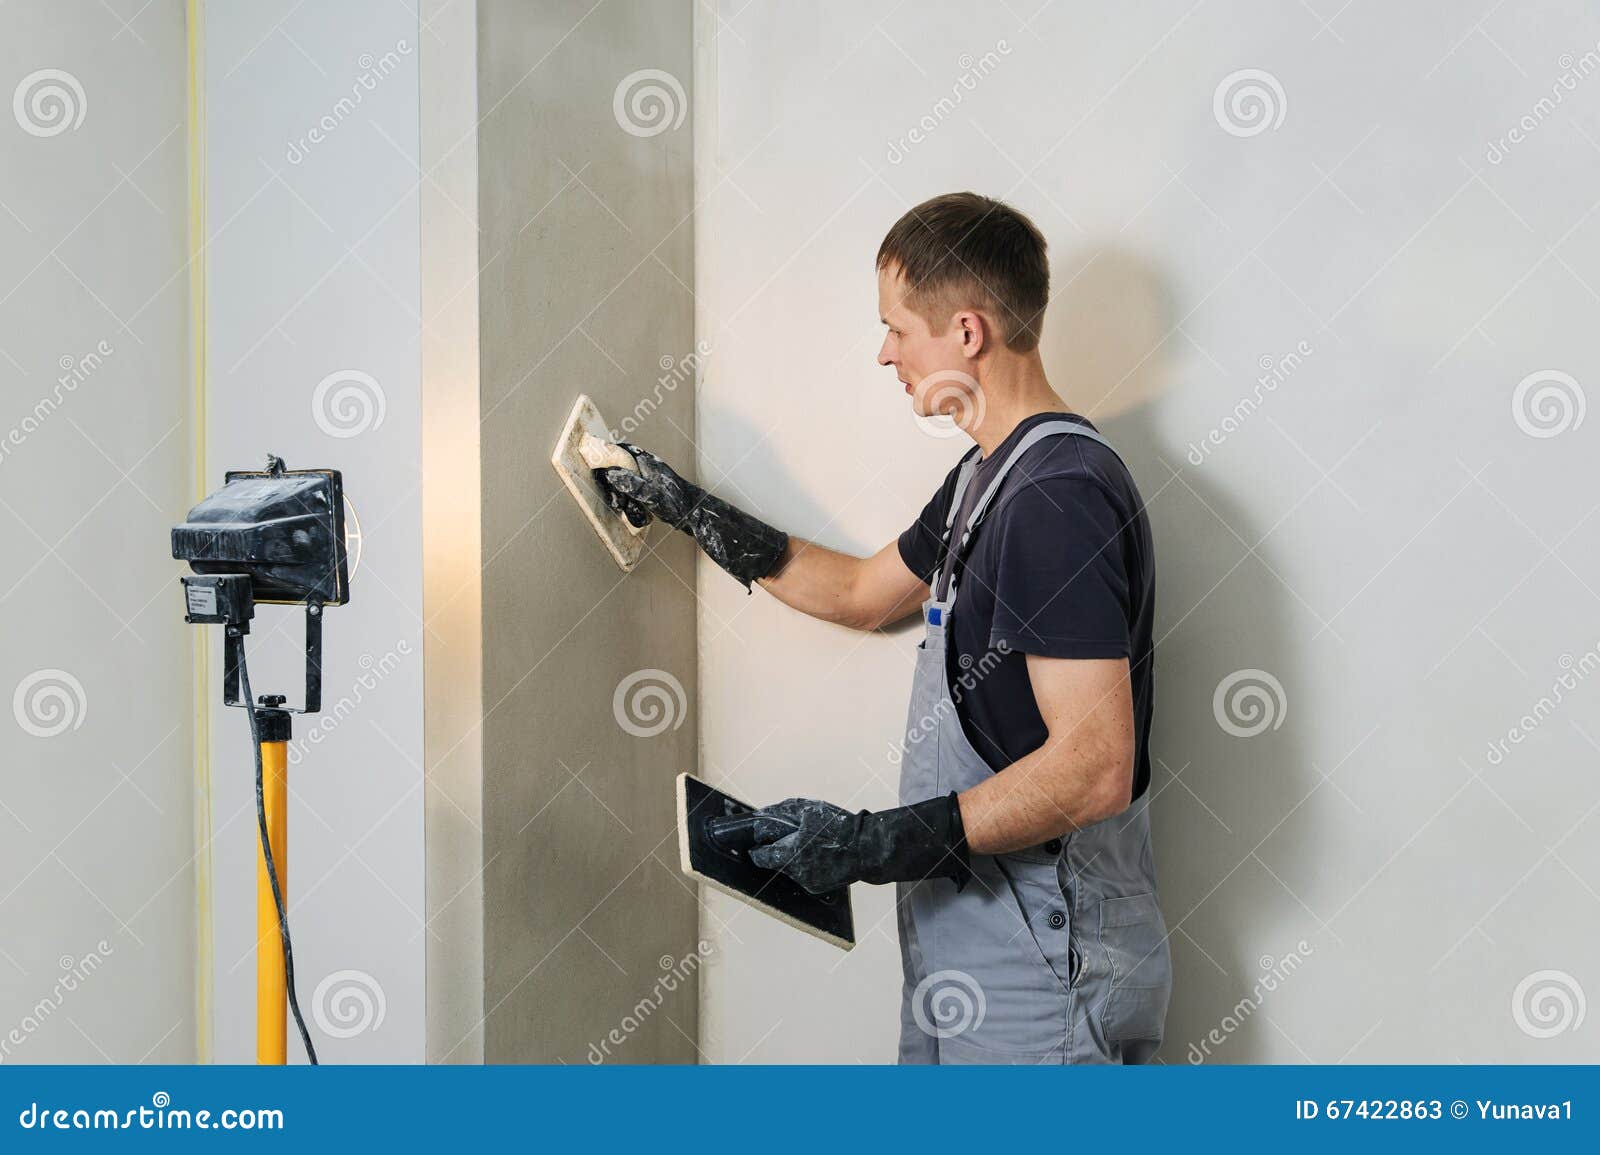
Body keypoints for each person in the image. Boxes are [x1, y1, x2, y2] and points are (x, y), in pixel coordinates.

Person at [596, 191, 1171, 1065]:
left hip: (1042, 958)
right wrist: (686, 510)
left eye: (899, 329)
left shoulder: (1056, 496)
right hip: (966, 934)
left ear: (967, 334)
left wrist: (868, 843)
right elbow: (864, 591)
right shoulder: (989, 475)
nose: (884, 352)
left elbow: (1096, 769)